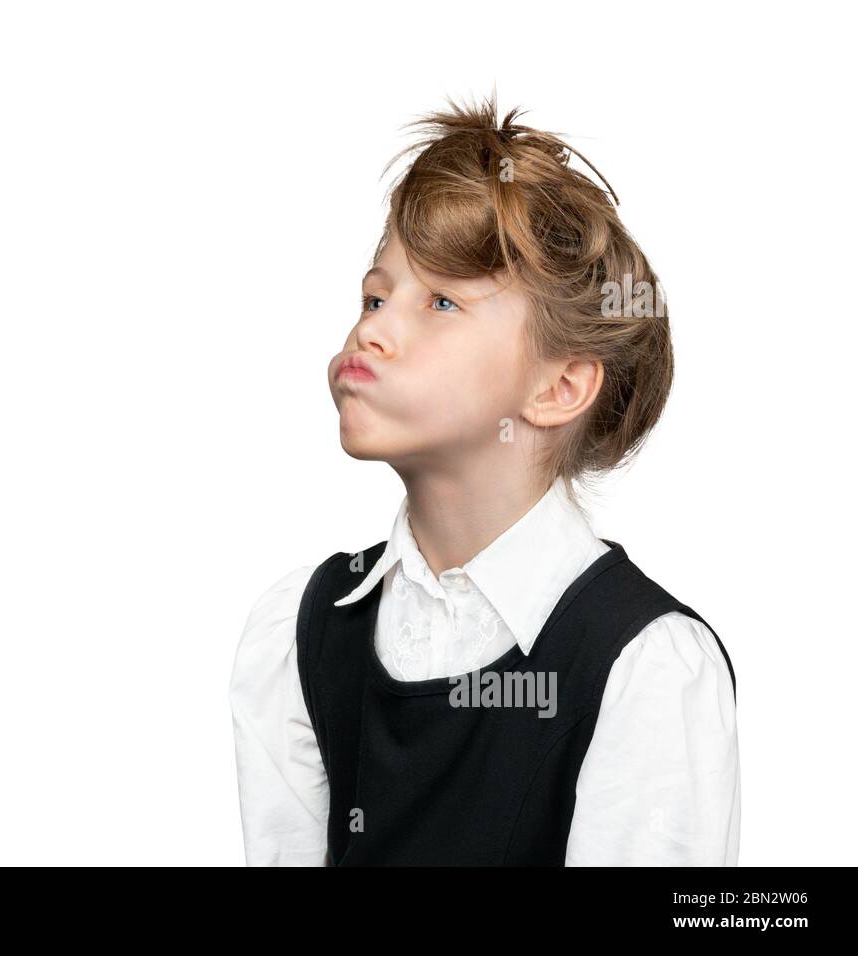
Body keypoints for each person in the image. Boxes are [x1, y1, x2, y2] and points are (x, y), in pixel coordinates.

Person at [227, 95, 739, 866]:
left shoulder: (642, 664)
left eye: (440, 302)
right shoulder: (302, 631)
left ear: (559, 388)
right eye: (375, 294)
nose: (371, 328)